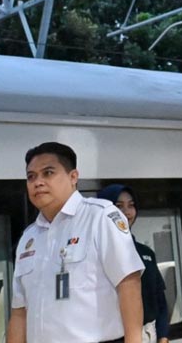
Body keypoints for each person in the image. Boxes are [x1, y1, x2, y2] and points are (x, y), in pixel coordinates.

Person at [9, 142, 144, 343]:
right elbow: (19, 312)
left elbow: (129, 284)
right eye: (31, 176)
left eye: (48, 173)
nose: (38, 182)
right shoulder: (29, 238)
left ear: (73, 177)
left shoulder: (99, 216)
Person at [96, 184, 172, 343]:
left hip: (148, 335)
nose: (126, 212)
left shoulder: (146, 253)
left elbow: (160, 301)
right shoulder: (95, 254)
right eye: (118, 206)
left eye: (131, 206)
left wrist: (163, 336)